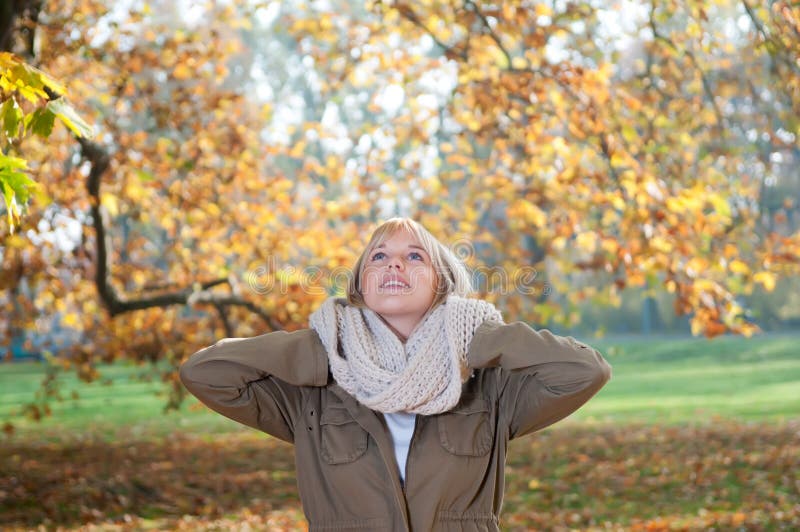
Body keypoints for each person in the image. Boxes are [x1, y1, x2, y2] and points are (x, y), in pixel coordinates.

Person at [180, 217, 611, 531]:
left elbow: (583, 371)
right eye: (380, 256)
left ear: (441, 283)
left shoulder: (489, 386)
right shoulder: (313, 391)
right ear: (361, 284)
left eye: (414, 256)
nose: (394, 265)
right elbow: (206, 372)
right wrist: (320, 348)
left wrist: (478, 339)